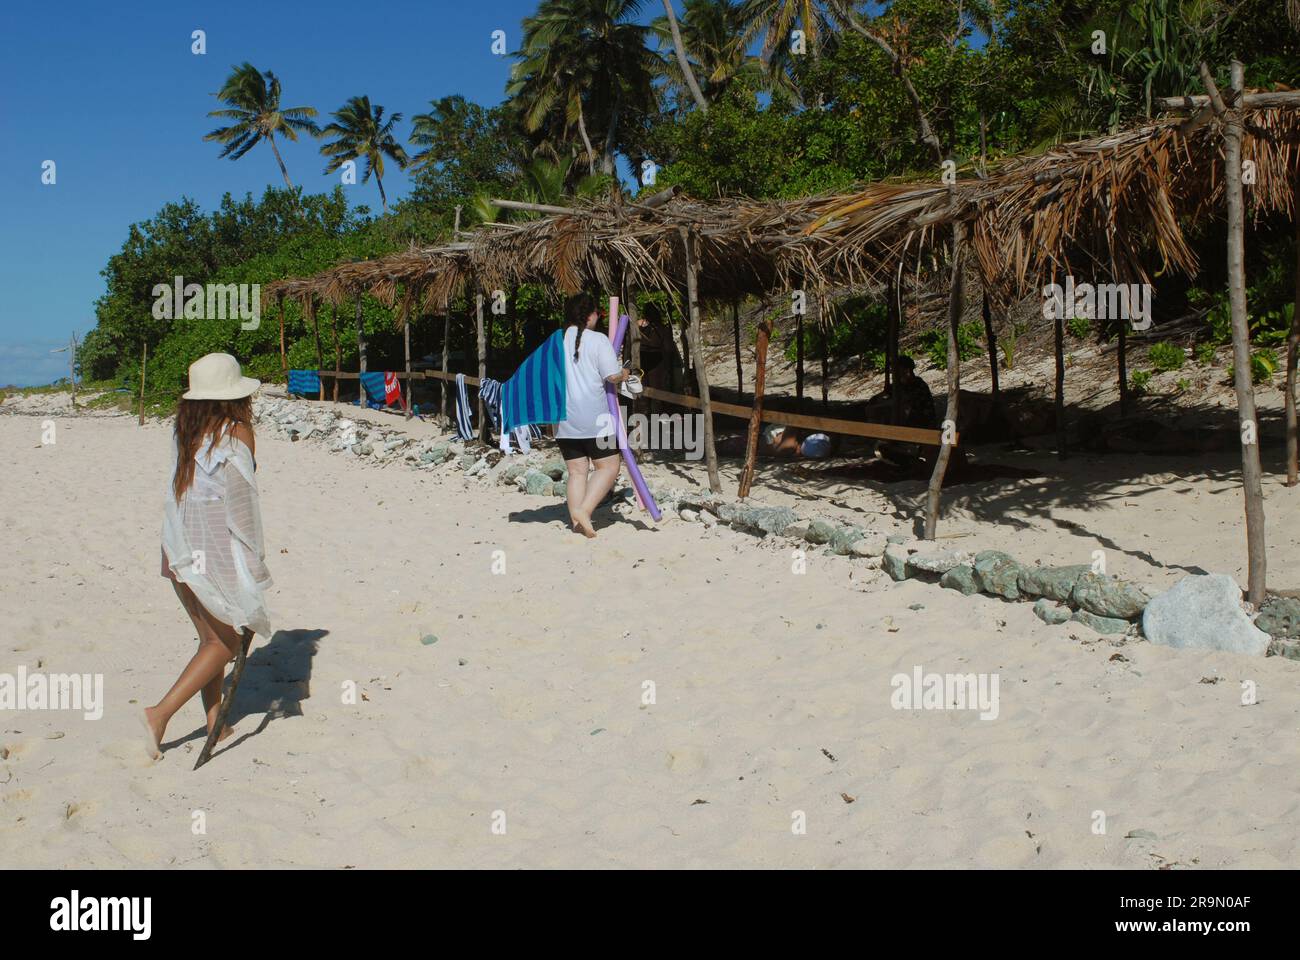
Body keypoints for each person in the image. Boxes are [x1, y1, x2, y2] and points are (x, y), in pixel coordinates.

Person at [142, 353, 271, 759]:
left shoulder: (184, 430)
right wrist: (254, 563)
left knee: (210, 638)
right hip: (211, 551)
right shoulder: (237, 433)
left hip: (176, 545)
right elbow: (242, 508)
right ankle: (158, 714)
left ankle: (216, 719)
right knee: (225, 643)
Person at [556, 293, 631, 538]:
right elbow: (612, 376)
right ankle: (585, 511)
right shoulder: (598, 340)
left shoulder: (556, 340)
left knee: (577, 471)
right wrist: (626, 372)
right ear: (591, 315)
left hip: (562, 419)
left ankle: (577, 524)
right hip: (595, 417)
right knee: (609, 466)